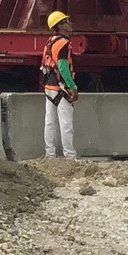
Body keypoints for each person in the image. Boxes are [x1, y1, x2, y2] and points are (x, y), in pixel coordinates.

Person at [39, 11, 80, 158]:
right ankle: (69, 156)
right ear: (61, 26)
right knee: (66, 123)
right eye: (66, 22)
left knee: (49, 122)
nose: (70, 24)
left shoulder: (50, 41)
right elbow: (63, 67)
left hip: (49, 87)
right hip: (61, 88)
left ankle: (50, 154)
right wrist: (72, 87)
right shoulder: (63, 44)